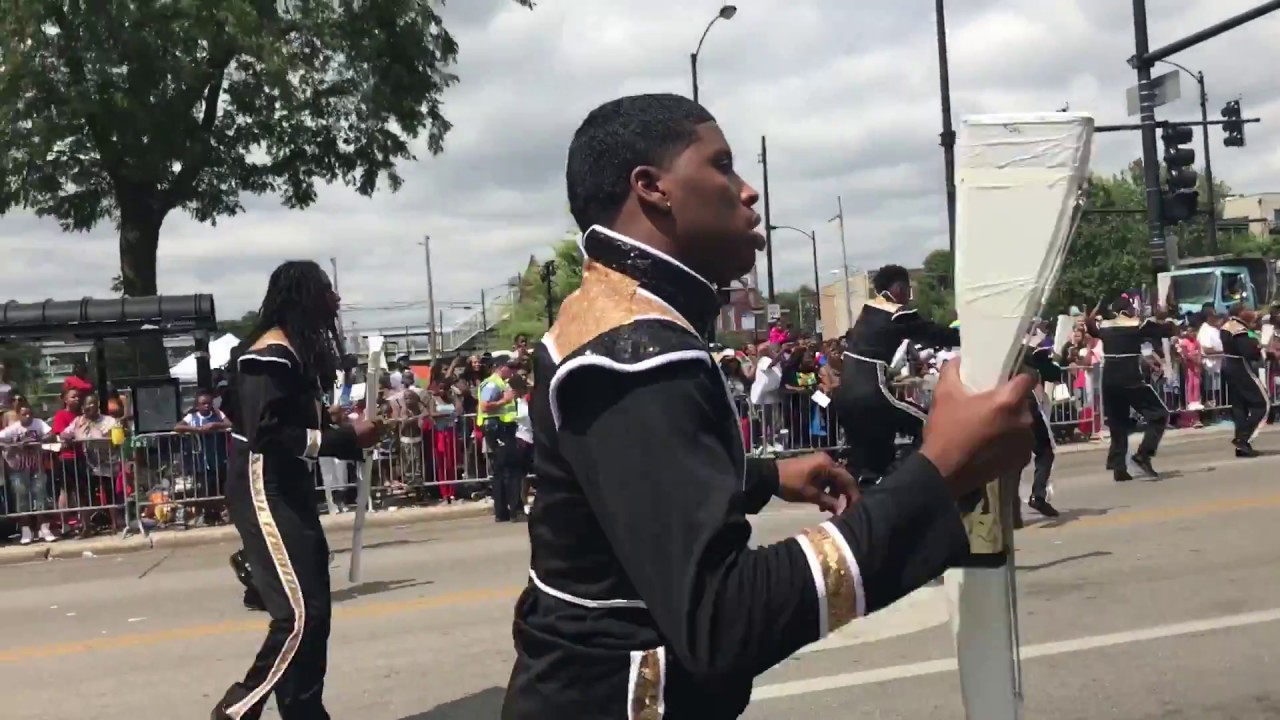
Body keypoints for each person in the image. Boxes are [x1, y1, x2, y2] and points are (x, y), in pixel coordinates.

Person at [501, 93, 1037, 720]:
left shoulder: (606, 308)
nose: (747, 190)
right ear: (653, 189)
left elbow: (622, 489)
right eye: (722, 165)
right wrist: (939, 472)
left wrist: (761, 476)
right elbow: (723, 621)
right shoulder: (636, 349)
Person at [212, 260, 382, 720]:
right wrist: (347, 439)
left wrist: (343, 428)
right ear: (303, 296)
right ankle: (236, 710)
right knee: (298, 618)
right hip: (265, 489)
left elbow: (291, 422)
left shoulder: (290, 355)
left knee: (316, 614)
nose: (336, 300)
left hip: (290, 489)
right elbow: (268, 434)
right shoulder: (265, 356)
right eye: (328, 290)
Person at [833, 264, 960, 484]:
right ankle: (902, 481)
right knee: (931, 424)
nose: (909, 294)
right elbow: (934, 334)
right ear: (899, 288)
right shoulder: (896, 313)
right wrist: (968, 336)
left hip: (845, 398)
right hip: (871, 394)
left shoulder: (867, 311)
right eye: (907, 287)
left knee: (870, 460)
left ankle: (864, 496)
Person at [1085, 298, 1176, 481]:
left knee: (1118, 423)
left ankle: (1119, 466)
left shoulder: (1105, 326)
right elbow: (1166, 330)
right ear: (1127, 309)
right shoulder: (1137, 325)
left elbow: (1090, 327)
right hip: (1129, 376)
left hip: (1109, 378)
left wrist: (1091, 313)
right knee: (1159, 415)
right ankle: (1143, 455)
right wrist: (1165, 315)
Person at [478, 357, 524, 522]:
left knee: (504, 471)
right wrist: (504, 400)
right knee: (509, 471)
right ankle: (512, 511)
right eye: (509, 367)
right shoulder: (492, 383)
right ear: (500, 367)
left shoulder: (502, 383)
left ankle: (503, 512)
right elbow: (484, 406)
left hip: (504, 429)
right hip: (497, 429)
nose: (512, 371)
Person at [1219, 307, 1269, 456]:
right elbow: (1248, 352)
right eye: (1247, 310)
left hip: (1228, 366)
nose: (1252, 312)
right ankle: (1243, 438)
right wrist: (1257, 346)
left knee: (1239, 407)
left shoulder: (1226, 326)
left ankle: (1242, 445)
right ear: (1240, 313)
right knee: (1262, 404)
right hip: (1240, 367)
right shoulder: (1238, 329)